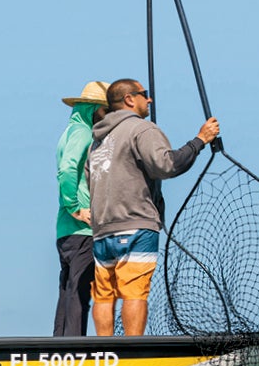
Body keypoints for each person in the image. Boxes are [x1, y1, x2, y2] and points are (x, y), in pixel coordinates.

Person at [87, 79, 220, 336]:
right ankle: (131, 351)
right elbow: (166, 165)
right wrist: (200, 140)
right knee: (134, 291)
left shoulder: (98, 141)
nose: (149, 100)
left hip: (102, 230)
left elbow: (88, 178)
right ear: (129, 100)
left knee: (104, 295)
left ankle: (104, 349)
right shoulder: (141, 129)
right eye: (144, 95)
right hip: (135, 223)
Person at [54, 81, 109, 336]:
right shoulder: (83, 133)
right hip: (81, 228)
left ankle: (60, 346)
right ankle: (76, 350)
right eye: (106, 110)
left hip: (66, 230)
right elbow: (67, 169)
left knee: (68, 291)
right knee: (80, 291)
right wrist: (75, 207)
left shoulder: (69, 130)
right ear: (95, 109)